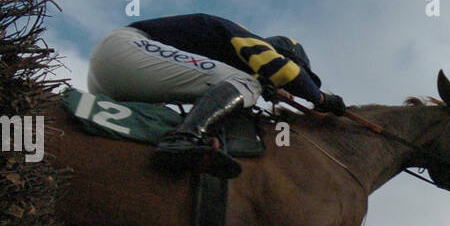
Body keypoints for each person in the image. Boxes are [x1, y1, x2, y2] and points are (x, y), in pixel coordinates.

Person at [86, 13, 346, 177]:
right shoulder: (250, 41)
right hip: (124, 49)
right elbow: (281, 70)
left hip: (112, 79)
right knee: (244, 82)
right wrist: (321, 99)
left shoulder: (220, 63)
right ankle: (184, 139)